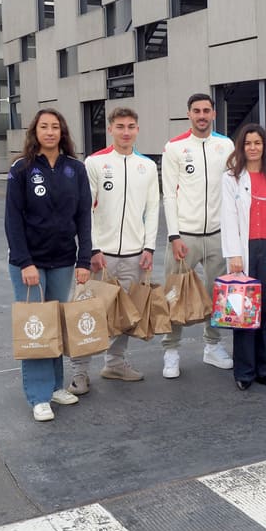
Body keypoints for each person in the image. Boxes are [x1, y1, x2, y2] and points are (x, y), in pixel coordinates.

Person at [4, 108, 92, 422]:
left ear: (63, 132)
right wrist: (25, 261)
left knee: (55, 322)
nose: (50, 132)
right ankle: (39, 396)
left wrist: (84, 258)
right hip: (29, 262)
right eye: (44, 126)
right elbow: (12, 219)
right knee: (36, 327)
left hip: (64, 259)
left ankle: (55, 386)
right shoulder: (22, 168)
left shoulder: (75, 169)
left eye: (56, 126)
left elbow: (83, 217)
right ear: (35, 132)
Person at [67, 108, 160, 395]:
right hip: (101, 255)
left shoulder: (146, 166)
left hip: (135, 253)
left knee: (125, 314)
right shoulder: (94, 163)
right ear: (110, 129)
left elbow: (153, 208)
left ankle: (115, 363)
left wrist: (149, 247)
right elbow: (85, 210)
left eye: (131, 126)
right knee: (88, 313)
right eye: (120, 126)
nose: (126, 132)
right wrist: (91, 248)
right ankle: (79, 373)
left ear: (138, 129)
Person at [161, 93, 235, 378]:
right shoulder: (175, 147)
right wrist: (174, 235)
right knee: (174, 295)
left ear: (214, 114)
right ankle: (171, 350)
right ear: (189, 114)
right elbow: (168, 193)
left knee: (218, 293)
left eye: (206, 110)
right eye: (196, 111)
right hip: (185, 236)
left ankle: (212, 346)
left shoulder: (225, 145)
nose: (202, 115)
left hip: (217, 234)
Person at [221, 124, 266, 390]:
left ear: (264, 146)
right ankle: (244, 371)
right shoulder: (231, 178)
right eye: (248, 143)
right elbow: (227, 218)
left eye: (257, 143)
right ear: (242, 147)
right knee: (244, 311)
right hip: (245, 249)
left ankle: (263, 369)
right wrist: (234, 255)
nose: (253, 148)